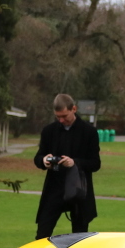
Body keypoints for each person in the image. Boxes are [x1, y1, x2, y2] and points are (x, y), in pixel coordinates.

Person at [33, 93, 101, 239]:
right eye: (58, 117)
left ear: (74, 109)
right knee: (42, 234)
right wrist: (44, 161)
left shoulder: (89, 132)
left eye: (64, 116)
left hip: (78, 189)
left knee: (79, 237)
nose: (61, 120)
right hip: (54, 188)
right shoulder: (49, 131)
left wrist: (74, 163)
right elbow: (38, 157)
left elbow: (95, 163)